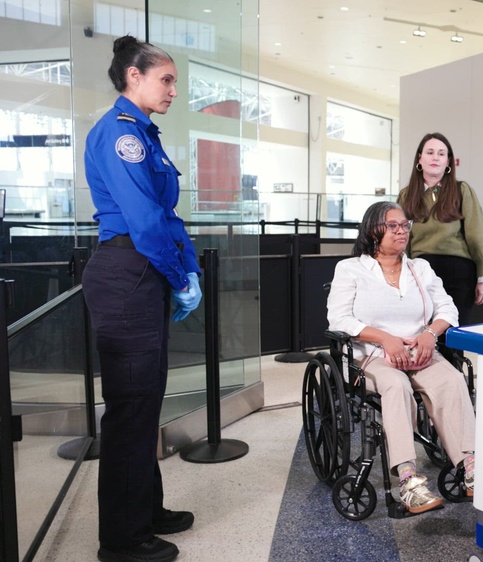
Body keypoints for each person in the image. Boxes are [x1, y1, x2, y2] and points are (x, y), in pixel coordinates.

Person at [82, 35, 201, 562]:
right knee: (130, 409)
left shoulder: (145, 134)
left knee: (145, 401)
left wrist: (187, 267)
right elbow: (145, 221)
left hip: (142, 270)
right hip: (128, 270)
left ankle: (145, 511)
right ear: (134, 76)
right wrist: (179, 277)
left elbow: (168, 217)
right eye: (166, 79)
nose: (174, 90)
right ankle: (122, 540)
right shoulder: (120, 135)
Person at [327, 201, 476, 514]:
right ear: (373, 231)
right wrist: (385, 339)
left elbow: (448, 309)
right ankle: (408, 481)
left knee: (451, 379)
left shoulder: (419, 269)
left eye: (405, 225)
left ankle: (471, 467)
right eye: (392, 226)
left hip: (419, 351)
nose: (401, 231)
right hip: (372, 356)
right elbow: (338, 320)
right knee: (396, 386)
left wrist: (429, 335)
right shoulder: (350, 269)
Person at [398, 132, 483, 327]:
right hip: (419, 272)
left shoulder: (462, 190)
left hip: (458, 272)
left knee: (453, 336)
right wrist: (401, 274)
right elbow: (401, 239)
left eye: (441, 154)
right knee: (422, 335)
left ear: (448, 161)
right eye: (430, 152)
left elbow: (477, 236)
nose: (435, 157)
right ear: (419, 158)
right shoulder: (406, 195)